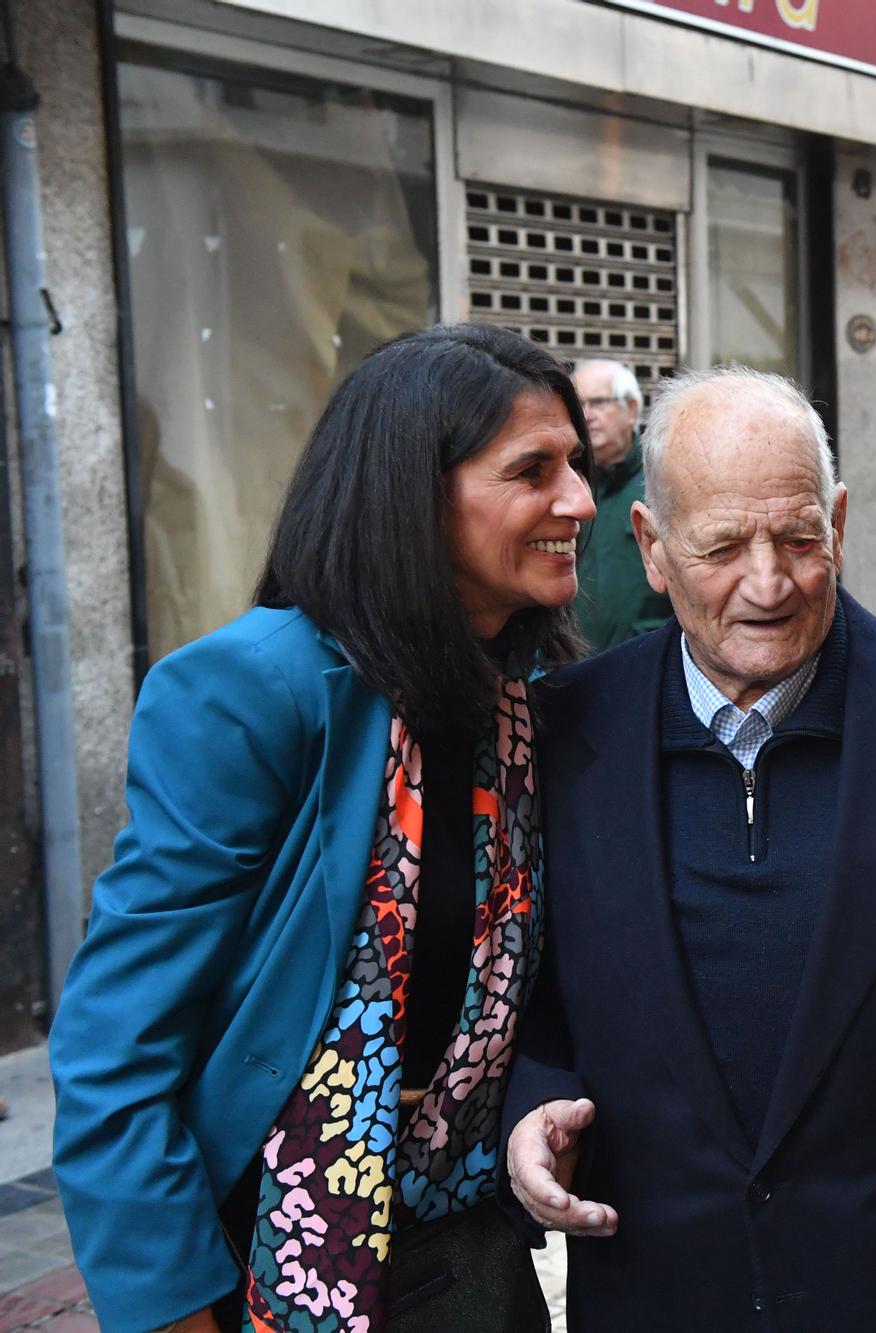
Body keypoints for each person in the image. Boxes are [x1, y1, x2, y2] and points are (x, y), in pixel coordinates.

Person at [501, 365, 876, 1330]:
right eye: (723, 546)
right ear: (652, 548)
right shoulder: (560, 728)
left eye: (796, 537)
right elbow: (534, 998)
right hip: (659, 1298)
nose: (769, 582)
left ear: (841, 521)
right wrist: (534, 1102)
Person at [50, 324, 597, 1333]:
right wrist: (172, 1308)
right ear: (414, 496)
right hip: (269, 1256)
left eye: (576, 464)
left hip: (466, 1248)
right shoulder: (253, 691)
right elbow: (114, 1048)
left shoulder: (527, 704)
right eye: (534, 470)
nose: (579, 500)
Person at [572, 357, 672, 652]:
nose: (587, 415)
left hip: (646, 659)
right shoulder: (567, 483)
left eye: (600, 402)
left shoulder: (661, 478)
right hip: (572, 665)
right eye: (579, 405)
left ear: (630, 409)